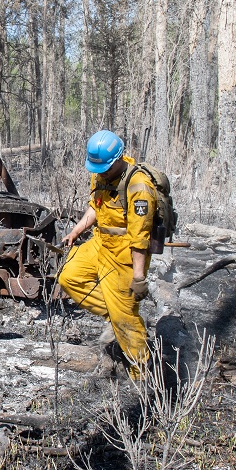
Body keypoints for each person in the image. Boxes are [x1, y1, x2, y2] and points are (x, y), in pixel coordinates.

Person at [58, 130, 156, 380]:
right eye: (97, 168)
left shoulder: (139, 187)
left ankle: (143, 375)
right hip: (100, 241)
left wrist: (138, 276)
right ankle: (115, 313)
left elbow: (140, 238)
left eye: (105, 168)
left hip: (125, 251)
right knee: (69, 277)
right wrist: (76, 231)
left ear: (119, 158)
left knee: (125, 317)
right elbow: (96, 206)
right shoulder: (99, 174)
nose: (100, 173)